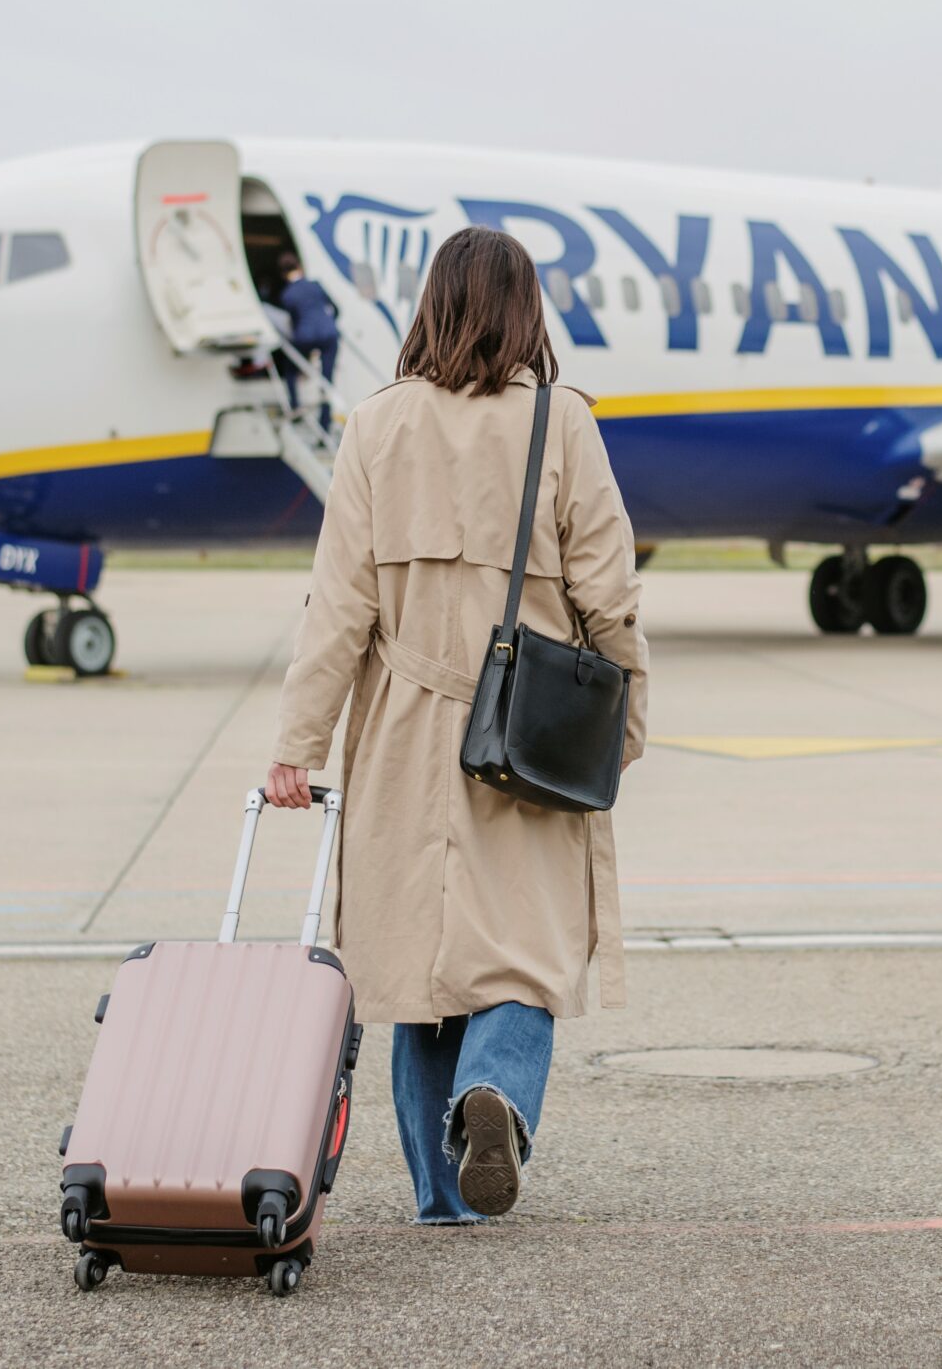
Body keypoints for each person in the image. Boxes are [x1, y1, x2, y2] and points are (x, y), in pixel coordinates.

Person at [264, 226, 648, 1225]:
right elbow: (609, 593)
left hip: (402, 723)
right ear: (526, 309)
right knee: (523, 948)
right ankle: (499, 1095)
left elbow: (337, 606)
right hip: (528, 727)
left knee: (417, 963)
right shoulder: (561, 420)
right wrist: (626, 716)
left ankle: (446, 1197)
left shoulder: (374, 424)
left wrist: (297, 746)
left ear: (430, 302)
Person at [274, 250, 342, 428]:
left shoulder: (287, 295)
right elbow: (335, 308)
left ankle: (295, 404)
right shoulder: (316, 285)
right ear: (300, 267)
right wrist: (329, 324)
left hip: (305, 336)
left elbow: (294, 321)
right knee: (327, 380)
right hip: (329, 335)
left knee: (290, 369)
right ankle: (325, 422)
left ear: (283, 274)